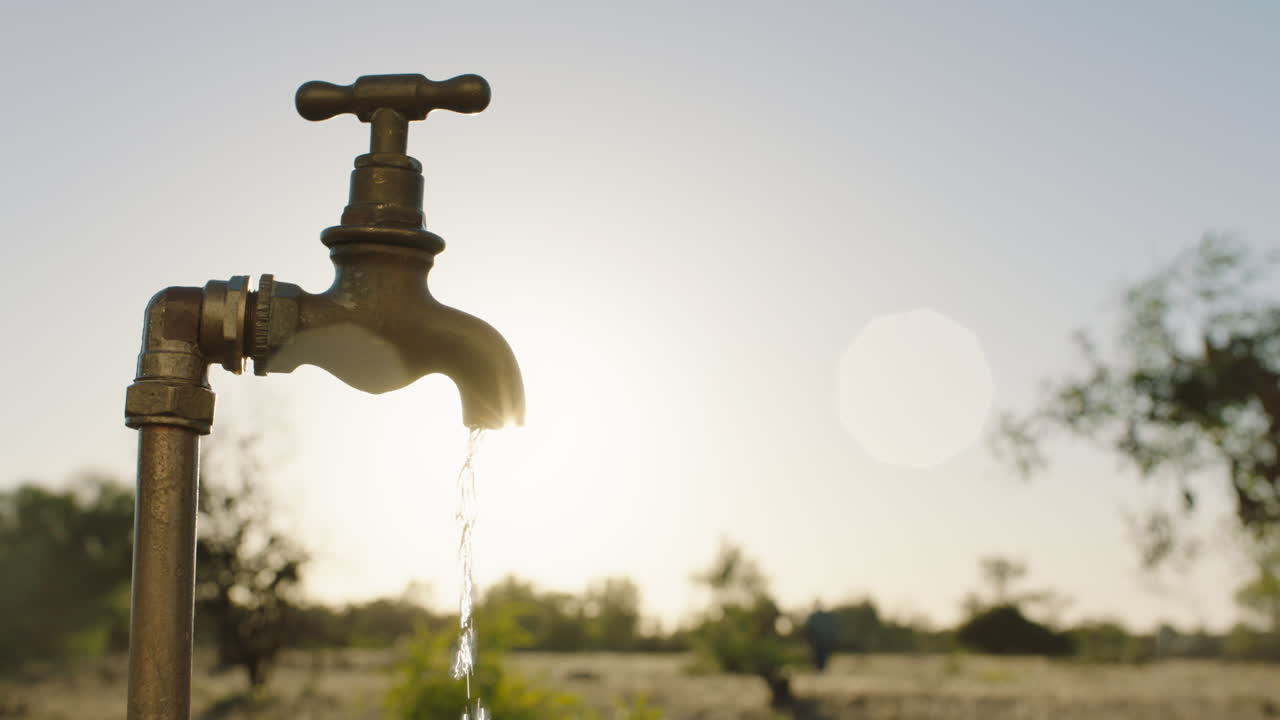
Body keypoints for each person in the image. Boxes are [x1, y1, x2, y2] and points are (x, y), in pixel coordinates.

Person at [803, 603, 838, 671]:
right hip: (824, 639)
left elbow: (809, 628)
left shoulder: (814, 616)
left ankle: (820, 667)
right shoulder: (825, 616)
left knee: (819, 653)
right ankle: (820, 667)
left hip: (818, 640)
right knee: (822, 653)